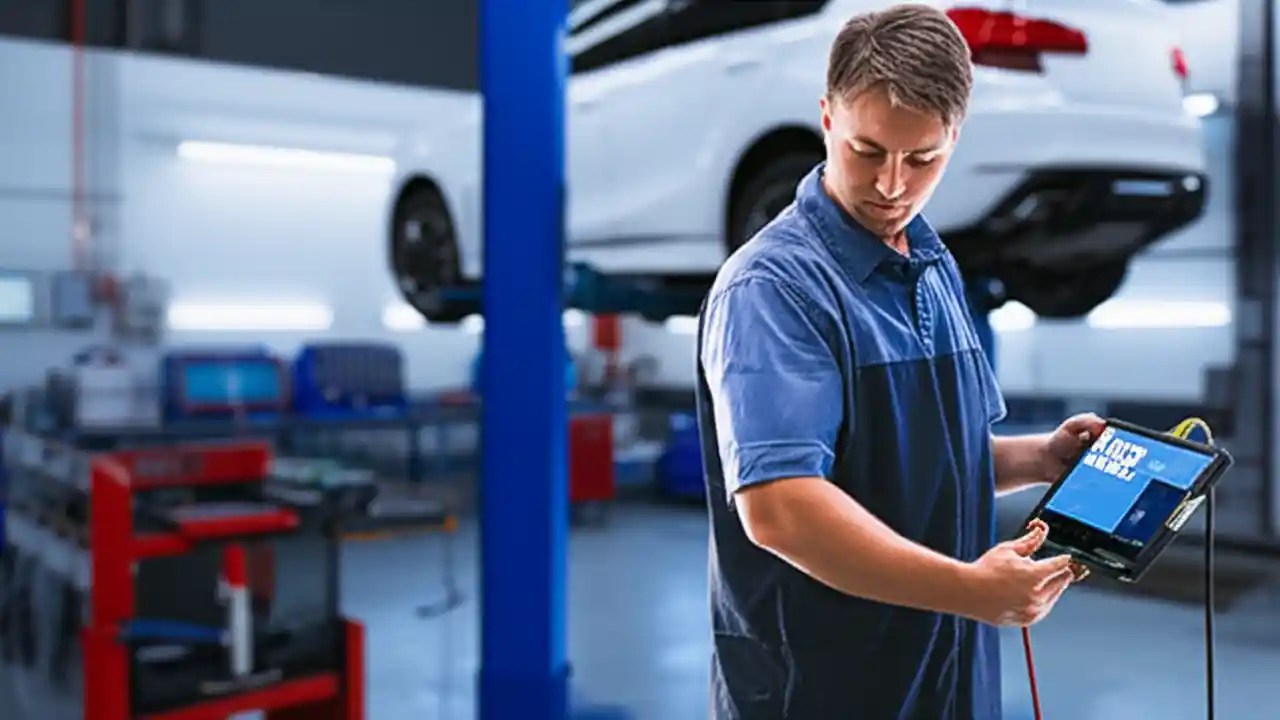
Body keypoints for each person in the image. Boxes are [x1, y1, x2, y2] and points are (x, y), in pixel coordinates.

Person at [694, 5, 1105, 719]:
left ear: (955, 138)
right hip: (823, 692)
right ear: (826, 118)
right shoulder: (774, 289)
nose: (892, 186)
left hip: (943, 680)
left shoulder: (930, 266)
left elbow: (919, 456)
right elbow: (781, 509)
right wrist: (970, 590)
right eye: (867, 150)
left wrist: (1039, 458)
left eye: (923, 160)